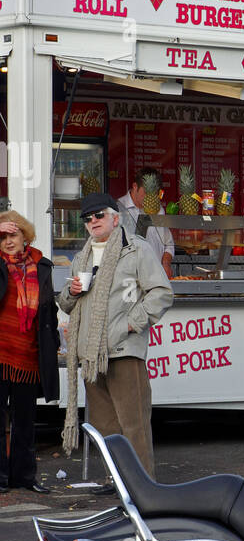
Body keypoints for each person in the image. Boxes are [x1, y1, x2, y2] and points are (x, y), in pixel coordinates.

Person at [57, 193, 173, 479]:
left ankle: (143, 484)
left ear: (115, 218)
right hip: (91, 355)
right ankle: (118, 480)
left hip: (123, 350)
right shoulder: (82, 256)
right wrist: (70, 293)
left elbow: (161, 293)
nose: (93, 222)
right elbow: (66, 303)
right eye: (87, 218)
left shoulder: (136, 249)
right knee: (105, 426)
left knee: (133, 425)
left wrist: (131, 324)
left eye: (99, 215)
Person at [0, 211, 60, 493]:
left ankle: (23, 477)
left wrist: (54, 343)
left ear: (26, 236)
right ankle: (1, 479)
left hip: (28, 356)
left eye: (13, 235)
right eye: (3, 237)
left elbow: (49, 310)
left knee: (25, 421)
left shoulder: (42, 266)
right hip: (0, 355)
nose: (8, 241)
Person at [118, 169, 175, 279]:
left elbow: (169, 244)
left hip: (157, 277)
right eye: (146, 192)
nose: (150, 197)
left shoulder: (159, 210)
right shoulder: (119, 209)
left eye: (154, 193)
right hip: (130, 278)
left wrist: (166, 264)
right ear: (135, 186)